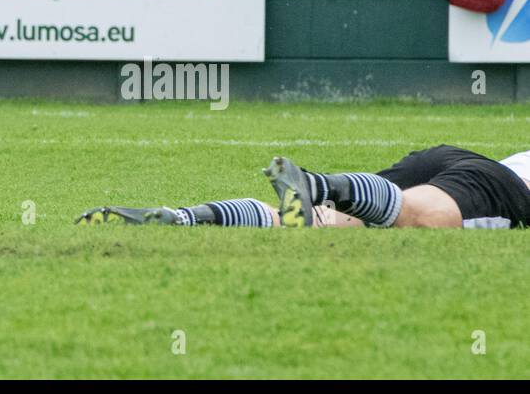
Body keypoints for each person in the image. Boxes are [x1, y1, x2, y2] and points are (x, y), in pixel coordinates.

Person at [78, 148, 530, 231]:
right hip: (507, 185)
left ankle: (187, 217)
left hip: (456, 157)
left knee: (335, 221)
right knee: (423, 217)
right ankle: (314, 184)